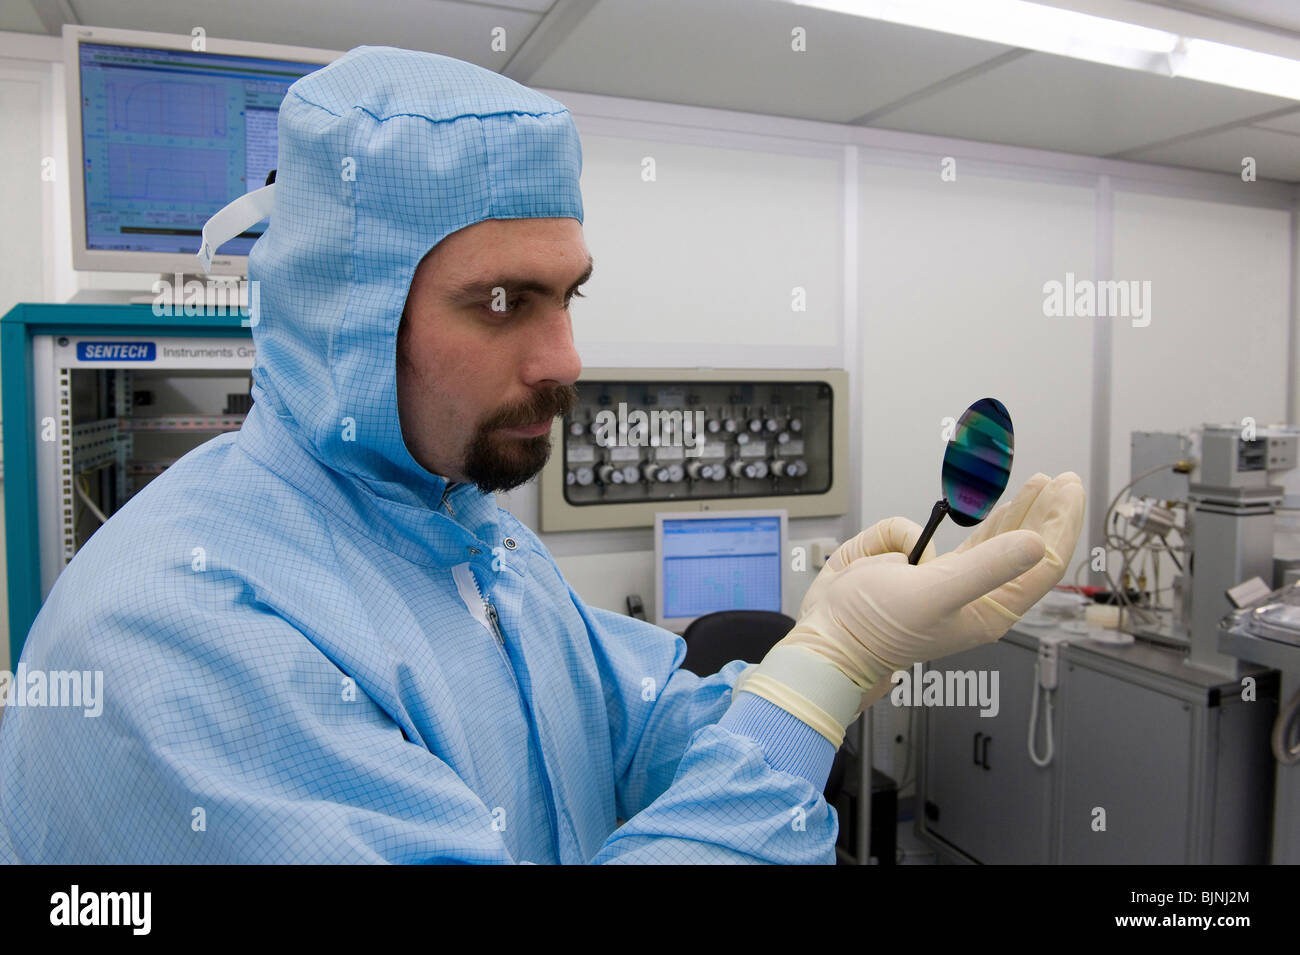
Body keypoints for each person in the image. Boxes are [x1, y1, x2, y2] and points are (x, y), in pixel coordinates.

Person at [0, 46, 1084, 864]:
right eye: (503, 302)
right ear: (346, 313)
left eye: (570, 295)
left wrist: (821, 657)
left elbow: (646, 731)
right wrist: (827, 676)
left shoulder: (467, 537)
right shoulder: (176, 632)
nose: (565, 358)